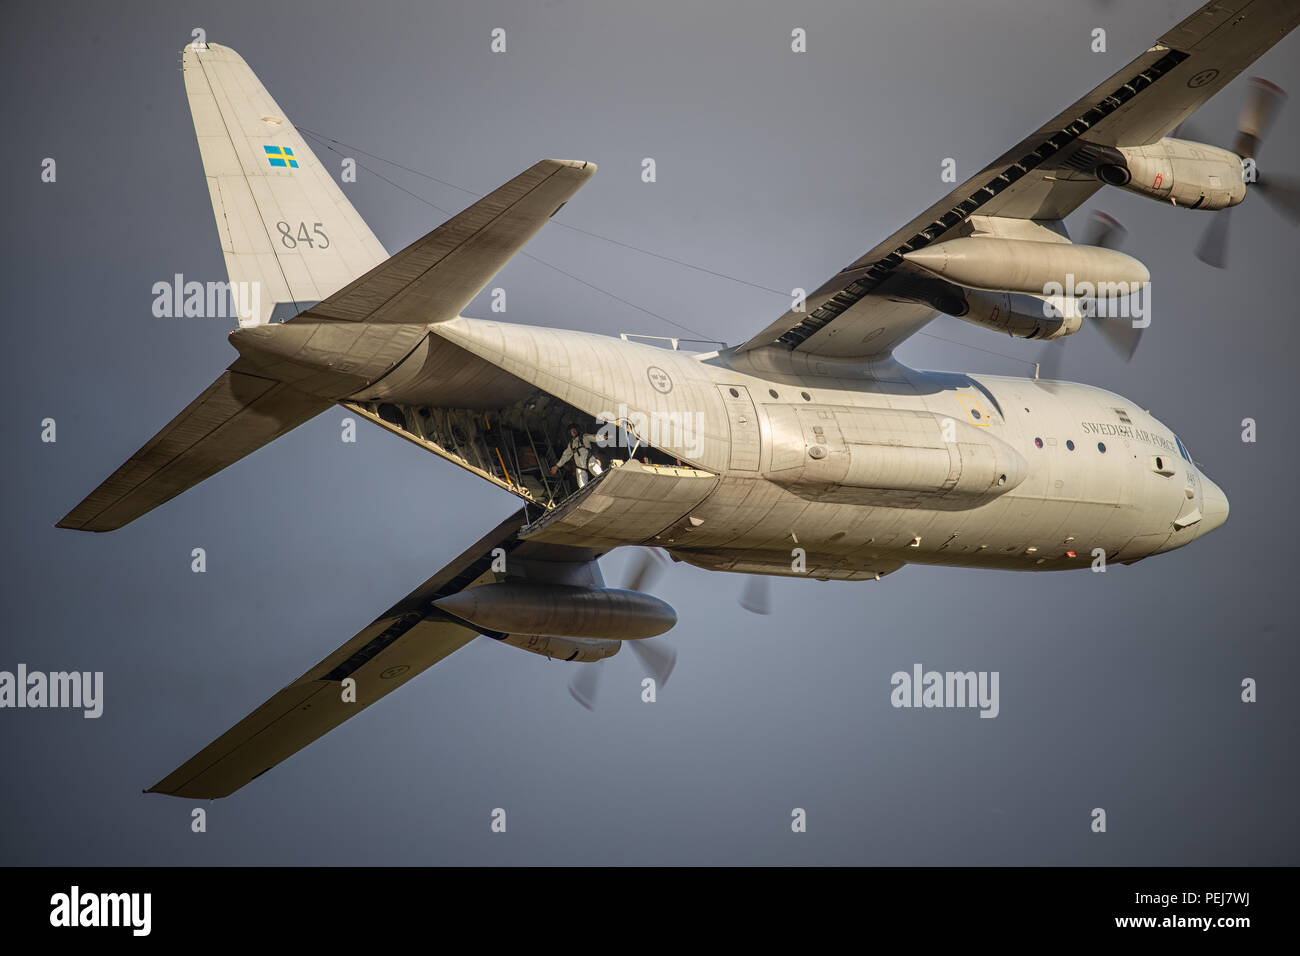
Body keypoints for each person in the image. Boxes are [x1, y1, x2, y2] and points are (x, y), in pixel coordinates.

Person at [551, 422, 604, 489]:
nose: (573, 432)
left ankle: (607, 482)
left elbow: (594, 437)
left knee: (598, 472)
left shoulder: (584, 437)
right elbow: (565, 456)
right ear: (569, 433)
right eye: (572, 431)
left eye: (574, 430)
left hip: (589, 460)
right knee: (582, 486)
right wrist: (556, 466)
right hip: (580, 466)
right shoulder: (571, 444)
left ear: (578, 430)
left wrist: (603, 437)